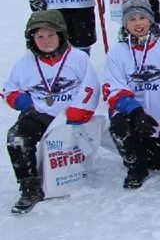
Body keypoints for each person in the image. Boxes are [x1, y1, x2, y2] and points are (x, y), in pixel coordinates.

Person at [4, 11, 101, 213]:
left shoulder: (78, 59)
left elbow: (91, 87)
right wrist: (22, 101)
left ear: (61, 34)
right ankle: (29, 186)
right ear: (32, 39)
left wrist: (78, 111)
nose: (46, 41)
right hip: (39, 114)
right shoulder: (25, 63)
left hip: (71, 116)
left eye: (51, 35)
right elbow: (8, 89)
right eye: (39, 36)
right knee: (17, 138)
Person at [103, 0, 160, 190]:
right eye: (132, 19)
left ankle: (151, 144)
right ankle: (135, 167)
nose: (138, 23)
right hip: (132, 116)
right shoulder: (117, 52)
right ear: (125, 24)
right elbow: (113, 88)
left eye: (142, 17)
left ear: (150, 19)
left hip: (159, 117)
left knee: (159, 162)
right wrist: (136, 112)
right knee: (120, 126)